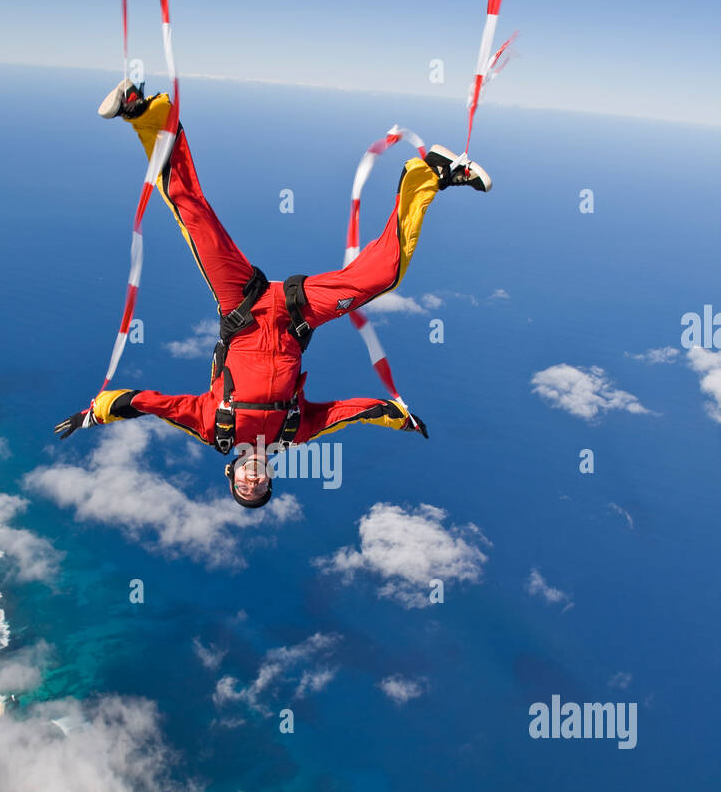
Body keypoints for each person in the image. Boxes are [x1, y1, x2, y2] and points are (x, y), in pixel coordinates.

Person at [55, 82, 491, 507]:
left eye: (244, 485)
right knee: (382, 276)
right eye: (260, 486)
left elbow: (154, 405)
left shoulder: (212, 428)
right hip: (297, 315)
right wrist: (399, 417)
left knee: (196, 218)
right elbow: (348, 413)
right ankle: (428, 173)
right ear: (269, 477)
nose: (252, 479)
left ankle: (147, 114)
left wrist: (99, 411)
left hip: (242, 306)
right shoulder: (294, 433)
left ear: (232, 471)